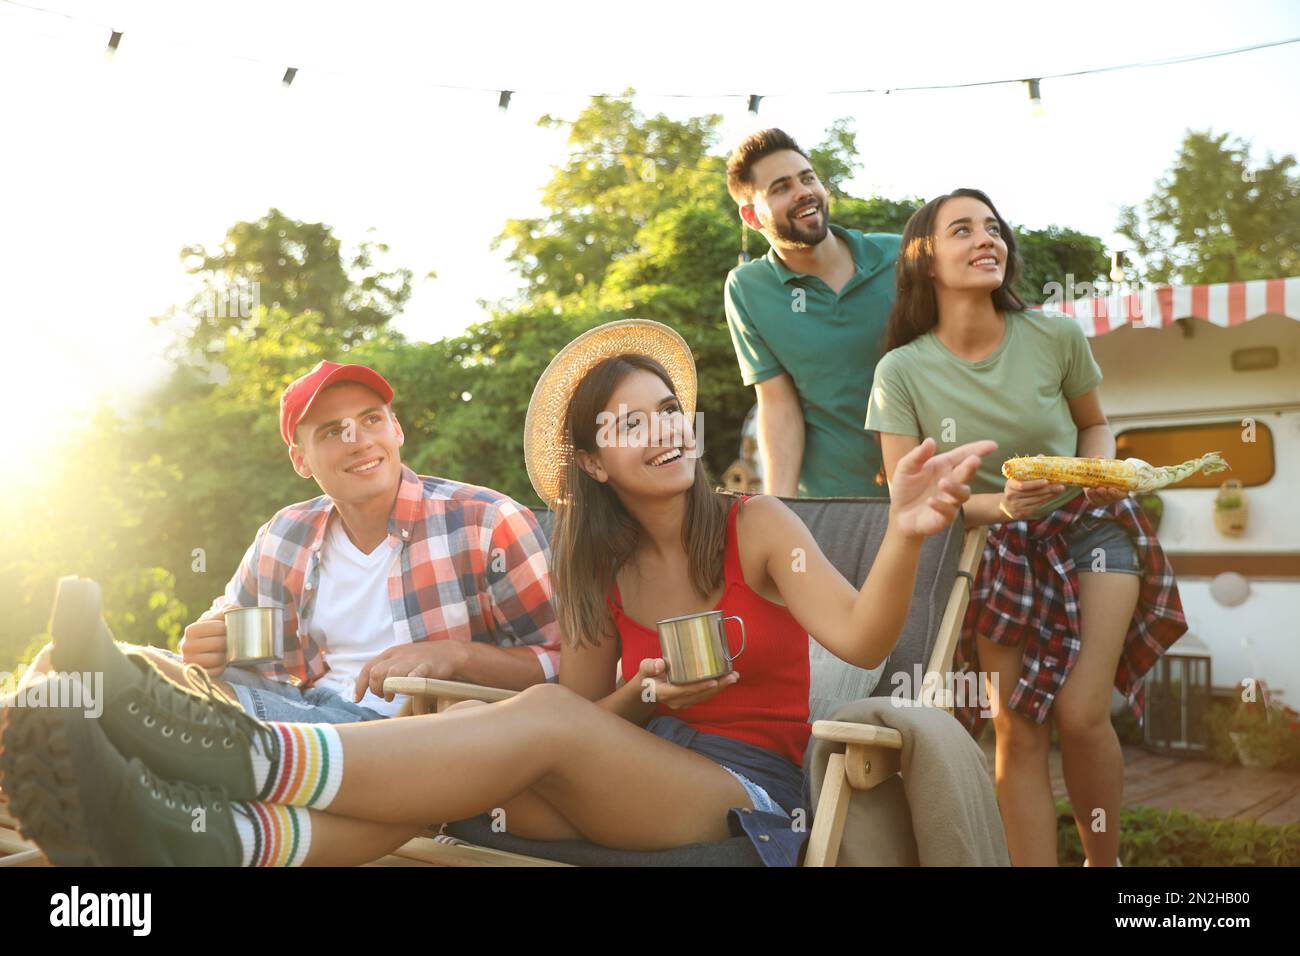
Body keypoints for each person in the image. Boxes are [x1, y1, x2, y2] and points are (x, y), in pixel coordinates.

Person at [0, 319, 993, 867]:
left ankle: (240, 757)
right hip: (630, 764)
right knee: (489, 754)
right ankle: (224, 839)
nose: (667, 430)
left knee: (538, 716)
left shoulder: (758, 526)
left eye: (671, 411)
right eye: (634, 421)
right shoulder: (593, 567)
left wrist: (905, 533)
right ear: (595, 462)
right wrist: (648, 698)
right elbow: (598, 709)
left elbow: (863, 639)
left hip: (743, 795)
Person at [864, 188, 1187, 867]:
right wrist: (1001, 507)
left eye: (993, 228)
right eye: (963, 230)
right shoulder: (902, 371)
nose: (987, 239)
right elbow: (908, 495)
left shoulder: (1055, 336)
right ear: (924, 260)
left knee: (1080, 712)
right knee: (1017, 728)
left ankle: (1108, 866)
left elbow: (1095, 423)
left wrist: (1088, 474)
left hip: (1093, 527)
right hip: (993, 546)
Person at [20, 360, 561, 722]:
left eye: (371, 420)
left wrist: (456, 655)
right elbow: (231, 628)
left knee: (121, 692)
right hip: (298, 708)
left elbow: (561, 663)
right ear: (300, 461)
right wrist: (206, 641)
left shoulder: (485, 521)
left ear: (396, 430)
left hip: (399, 739)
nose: (359, 441)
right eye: (331, 431)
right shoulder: (286, 534)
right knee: (60, 663)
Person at [723, 128, 901, 498]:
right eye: (781, 187)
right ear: (752, 217)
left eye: (808, 178)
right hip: (829, 503)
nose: (803, 191)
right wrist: (782, 509)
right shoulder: (748, 289)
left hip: (930, 492)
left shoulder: (900, 258)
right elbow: (777, 403)